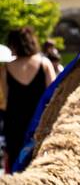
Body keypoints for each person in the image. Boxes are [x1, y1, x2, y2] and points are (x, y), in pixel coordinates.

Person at [0, 27, 57, 170]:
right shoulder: (45, 64)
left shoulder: (6, 68)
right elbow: (54, 95)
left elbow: (5, 100)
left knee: (16, 166)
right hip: (39, 122)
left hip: (14, 126)